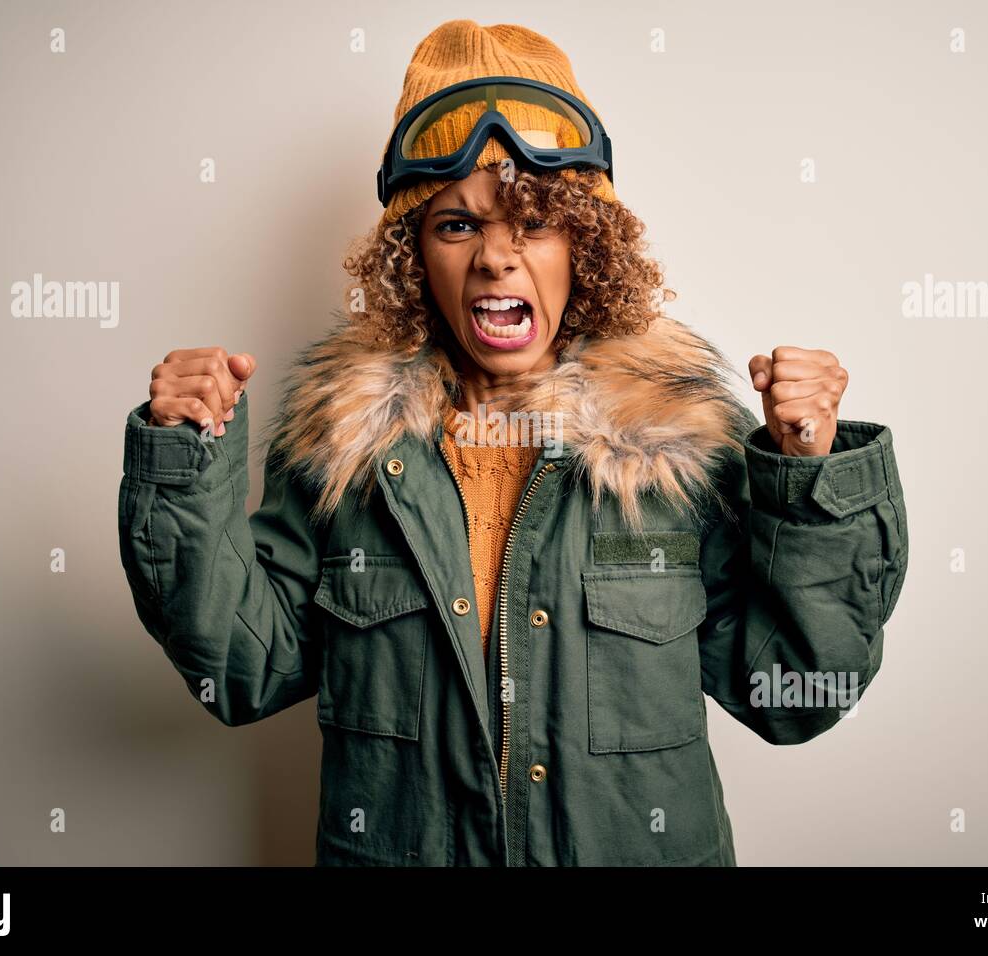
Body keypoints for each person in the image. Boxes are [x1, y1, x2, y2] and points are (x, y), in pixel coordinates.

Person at [117, 19, 909, 866]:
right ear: (413, 258)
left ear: (585, 247)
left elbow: (793, 698)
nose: (497, 257)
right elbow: (243, 671)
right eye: (456, 225)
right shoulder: (340, 453)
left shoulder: (672, 454)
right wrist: (183, 461)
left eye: (533, 222)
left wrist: (811, 479)